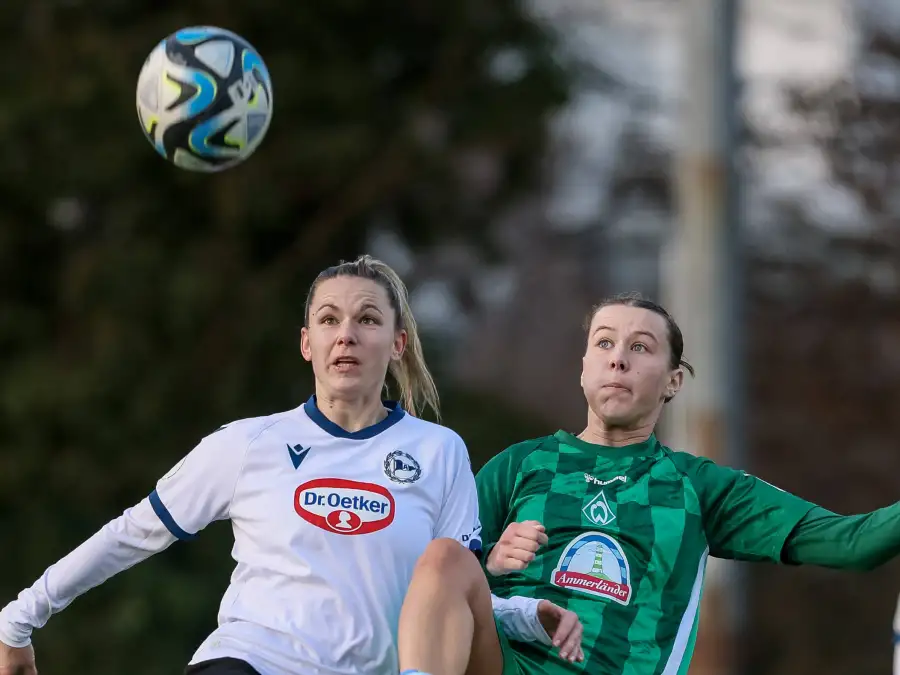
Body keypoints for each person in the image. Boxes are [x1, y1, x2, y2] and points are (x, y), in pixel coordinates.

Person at [0, 255, 580, 675]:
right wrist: (20, 619)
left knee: (452, 559)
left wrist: (525, 615)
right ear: (307, 343)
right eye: (329, 320)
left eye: (368, 320)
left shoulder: (439, 451)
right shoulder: (250, 444)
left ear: (398, 343)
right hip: (254, 659)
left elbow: (452, 598)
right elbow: (133, 532)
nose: (346, 335)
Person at [397, 291, 900, 675]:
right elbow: (424, 589)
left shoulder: (697, 486)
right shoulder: (518, 465)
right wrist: (486, 562)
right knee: (443, 557)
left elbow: (855, 543)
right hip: (510, 660)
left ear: (674, 380)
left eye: (641, 347)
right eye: (605, 343)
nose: (619, 359)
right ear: (584, 368)